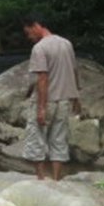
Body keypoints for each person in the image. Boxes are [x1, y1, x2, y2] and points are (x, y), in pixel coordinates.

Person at [21, 16, 81, 181]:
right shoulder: (66, 44)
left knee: (36, 138)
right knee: (59, 139)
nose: (29, 37)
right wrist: (76, 97)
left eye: (28, 32)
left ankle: (41, 179)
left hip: (47, 101)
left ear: (35, 26)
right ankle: (56, 179)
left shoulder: (39, 48)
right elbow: (74, 71)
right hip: (64, 100)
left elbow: (42, 78)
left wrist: (41, 108)